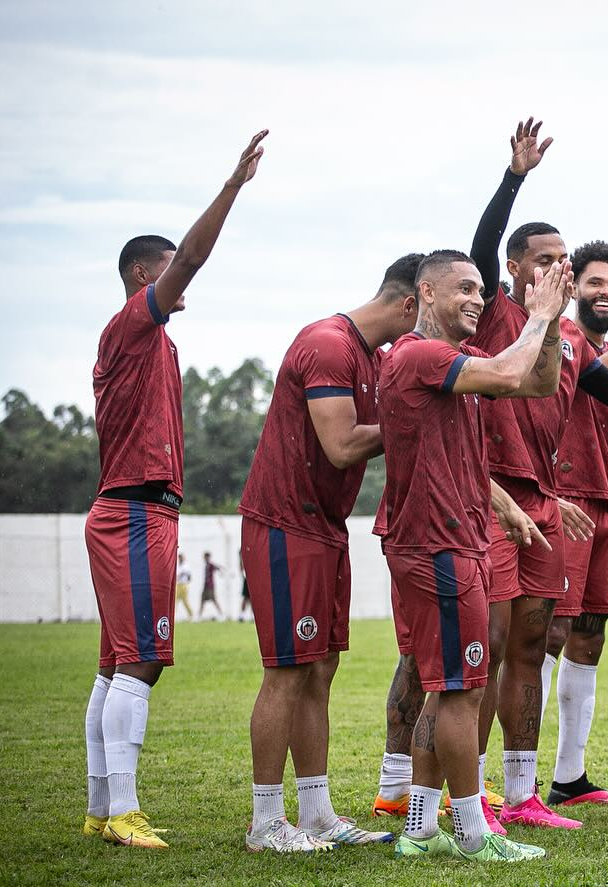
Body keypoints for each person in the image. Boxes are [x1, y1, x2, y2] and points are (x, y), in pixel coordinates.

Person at [81, 129, 266, 849]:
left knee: (117, 661)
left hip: (137, 509)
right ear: (141, 276)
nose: (181, 282)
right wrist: (232, 188)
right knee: (143, 659)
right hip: (133, 509)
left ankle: (104, 807)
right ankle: (121, 809)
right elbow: (190, 256)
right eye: (165, 274)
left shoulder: (155, 341)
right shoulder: (132, 324)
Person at [465, 119, 608, 829]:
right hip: (490, 500)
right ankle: (464, 791)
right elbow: (480, 248)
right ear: (515, 268)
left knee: (533, 647)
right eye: (547, 258)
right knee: (494, 644)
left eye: (564, 258)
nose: (558, 269)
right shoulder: (496, 313)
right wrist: (515, 177)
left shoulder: (570, 338)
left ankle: (524, 791)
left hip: (541, 506)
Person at [378, 248, 574, 862]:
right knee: (463, 689)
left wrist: (544, 326)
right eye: (463, 288)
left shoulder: (450, 363)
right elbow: (511, 376)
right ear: (426, 294)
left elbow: (537, 382)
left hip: (446, 541)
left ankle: (419, 826)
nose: (475, 299)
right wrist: (539, 317)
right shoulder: (421, 355)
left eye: (480, 292)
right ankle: (472, 830)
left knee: (445, 687)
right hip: (440, 546)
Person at [236, 253, 424, 851]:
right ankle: (266, 822)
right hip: (285, 525)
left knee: (320, 670)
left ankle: (316, 813)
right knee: (287, 672)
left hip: (324, 527)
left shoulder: (370, 357)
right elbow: (342, 445)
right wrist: (414, 417)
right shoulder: (327, 343)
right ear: (410, 304)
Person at [541, 241, 608, 808]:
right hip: (566, 500)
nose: (606, 292)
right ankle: (515, 781)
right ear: (573, 285)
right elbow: (598, 377)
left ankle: (569, 777)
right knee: (548, 634)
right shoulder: (566, 336)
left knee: (589, 637)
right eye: (595, 282)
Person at [199, 551, 225, 621]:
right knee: (202, 600)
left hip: (210, 586)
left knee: (214, 600)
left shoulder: (210, 564)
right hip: (206, 585)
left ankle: (222, 614)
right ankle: (199, 616)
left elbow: (218, 567)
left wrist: (222, 572)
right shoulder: (207, 565)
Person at [174, 552, 194, 622]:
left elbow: (189, 575)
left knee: (185, 601)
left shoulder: (186, 565)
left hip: (183, 585)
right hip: (178, 584)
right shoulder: (178, 565)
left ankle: (191, 615)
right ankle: (173, 615)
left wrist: (186, 582)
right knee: (175, 600)